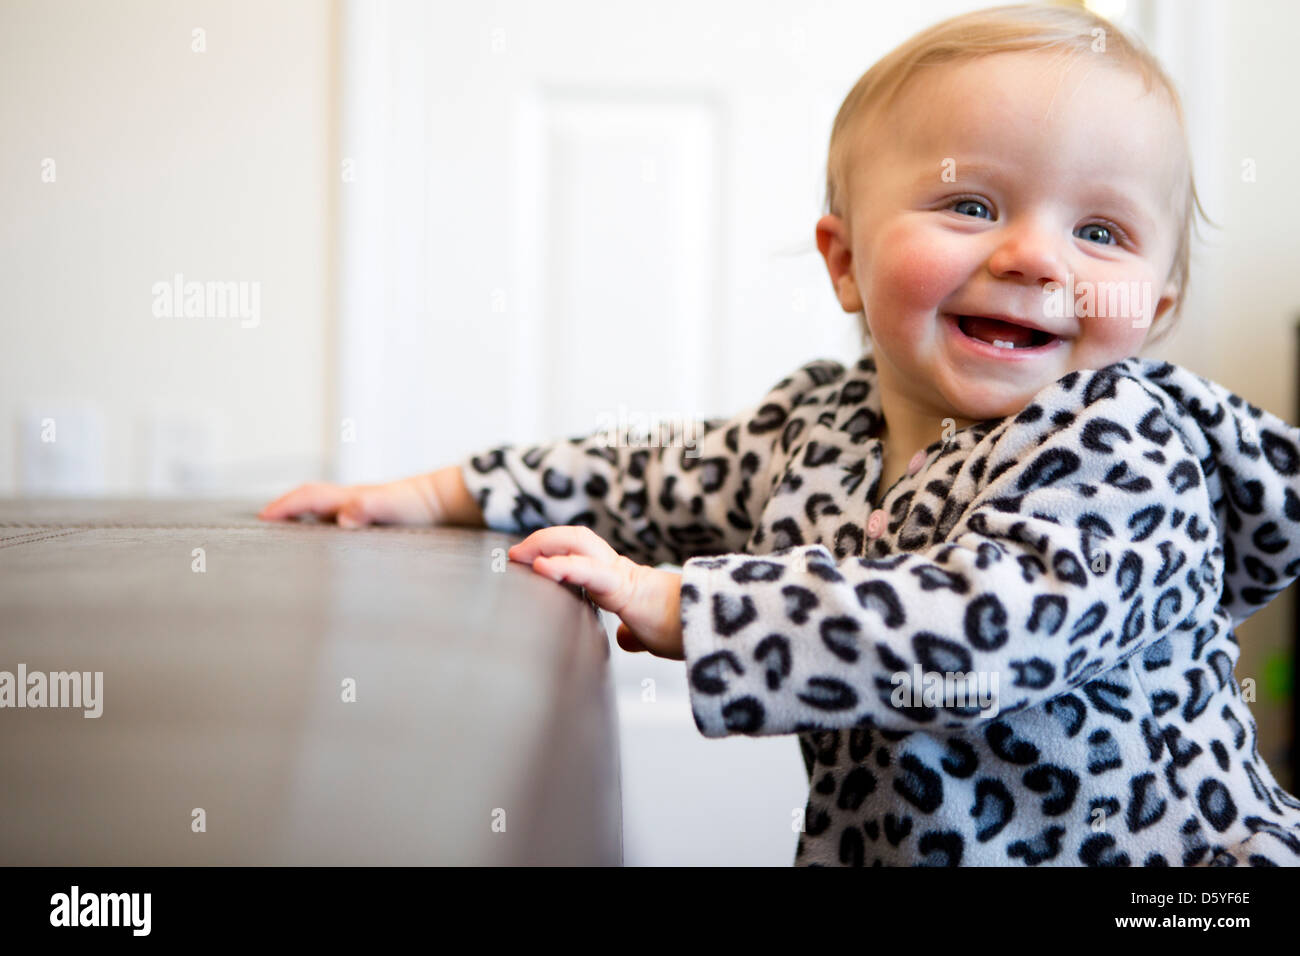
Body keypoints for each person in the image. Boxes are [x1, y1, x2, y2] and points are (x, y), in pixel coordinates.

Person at [261, 4, 1300, 865]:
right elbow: (650, 473)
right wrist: (446, 491)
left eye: (1099, 231)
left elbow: (990, 627)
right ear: (842, 261)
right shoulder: (818, 425)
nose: (1034, 256)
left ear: (1157, 306)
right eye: (971, 203)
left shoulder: (1127, 445)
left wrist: (686, 605)